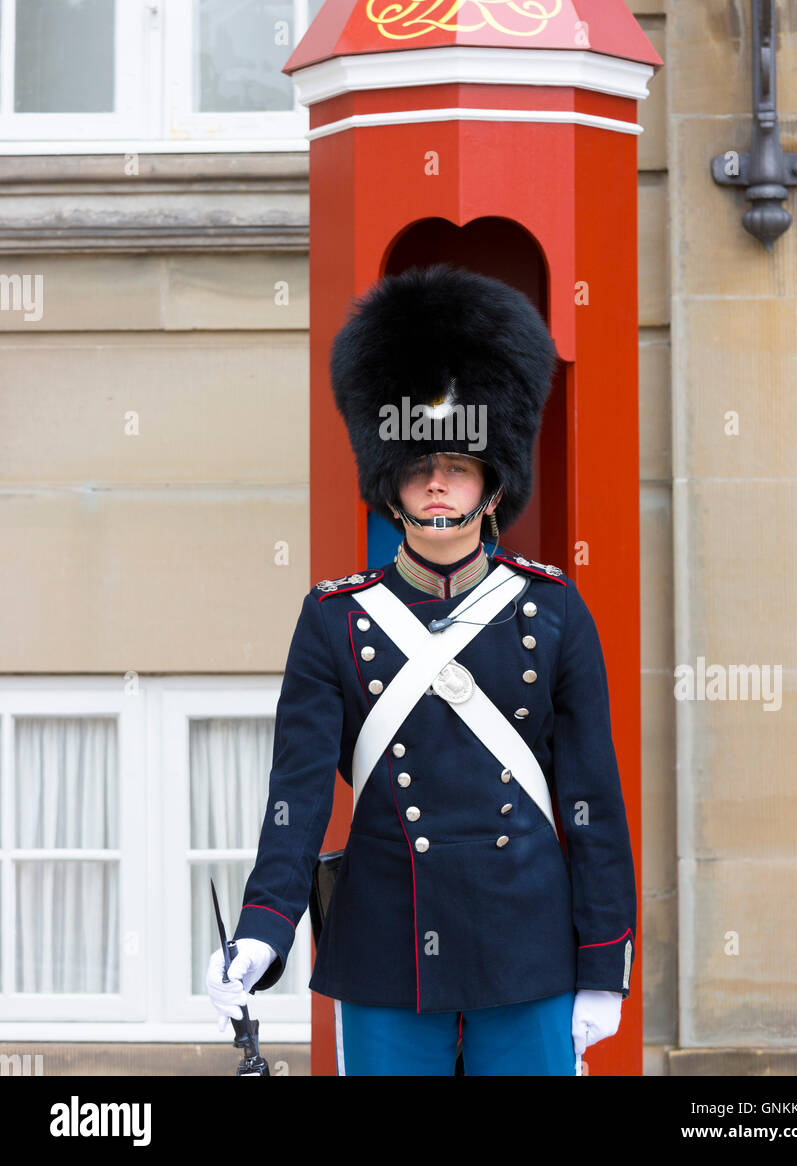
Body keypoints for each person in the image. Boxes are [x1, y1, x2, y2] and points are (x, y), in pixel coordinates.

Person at [206, 264, 637, 1076]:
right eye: (417, 467)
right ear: (391, 483)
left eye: (460, 465)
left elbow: (591, 802)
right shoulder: (334, 618)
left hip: (529, 954)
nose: (438, 482)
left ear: (492, 481)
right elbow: (296, 799)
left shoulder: (553, 611)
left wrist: (603, 964)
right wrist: (263, 928)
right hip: (386, 953)